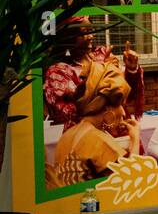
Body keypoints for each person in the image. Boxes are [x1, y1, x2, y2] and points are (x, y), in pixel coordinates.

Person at [47, 50, 141, 188]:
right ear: (107, 109)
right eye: (120, 105)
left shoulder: (67, 135)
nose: (123, 112)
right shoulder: (100, 142)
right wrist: (136, 141)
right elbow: (130, 185)